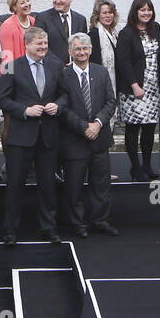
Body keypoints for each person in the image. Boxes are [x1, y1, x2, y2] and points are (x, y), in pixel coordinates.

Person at [0, 26, 63, 245]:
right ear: (27, 44)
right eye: (39, 44)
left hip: (48, 136)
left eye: (45, 43)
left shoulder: (56, 65)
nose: (43, 47)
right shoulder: (9, 67)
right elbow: (3, 100)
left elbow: (65, 94)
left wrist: (58, 105)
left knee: (48, 185)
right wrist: (24, 111)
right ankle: (10, 230)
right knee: (15, 184)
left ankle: (48, 227)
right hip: (20, 136)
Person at [58, 33, 120, 237]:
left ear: (91, 50)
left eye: (85, 48)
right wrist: (84, 126)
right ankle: (78, 224)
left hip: (99, 138)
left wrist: (97, 124)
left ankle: (101, 220)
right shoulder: (63, 75)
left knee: (101, 185)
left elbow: (111, 102)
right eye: (77, 49)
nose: (82, 52)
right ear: (70, 51)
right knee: (74, 186)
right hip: (75, 140)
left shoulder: (101, 73)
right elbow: (63, 108)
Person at [116, 0, 160, 181]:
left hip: (152, 88)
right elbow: (123, 62)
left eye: (149, 9)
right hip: (134, 89)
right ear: (135, 12)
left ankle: (146, 165)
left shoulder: (156, 28)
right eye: (142, 10)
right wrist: (134, 85)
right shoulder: (127, 33)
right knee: (133, 128)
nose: (146, 13)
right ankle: (135, 167)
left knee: (150, 128)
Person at [36, 0, 87, 67]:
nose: (57, 1)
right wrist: (61, 65)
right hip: (51, 69)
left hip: (76, 69)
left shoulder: (80, 20)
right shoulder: (43, 18)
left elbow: (84, 45)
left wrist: (77, 62)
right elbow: (40, 46)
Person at [0, 0, 36, 74]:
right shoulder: (7, 26)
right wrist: (9, 79)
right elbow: (7, 57)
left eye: (28, 1)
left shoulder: (33, 21)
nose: (27, 4)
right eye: (22, 3)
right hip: (17, 73)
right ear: (14, 7)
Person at [88, 0, 121, 95]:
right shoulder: (93, 35)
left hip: (118, 82)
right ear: (97, 15)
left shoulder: (117, 33)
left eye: (110, 12)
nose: (108, 16)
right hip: (101, 85)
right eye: (104, 13)